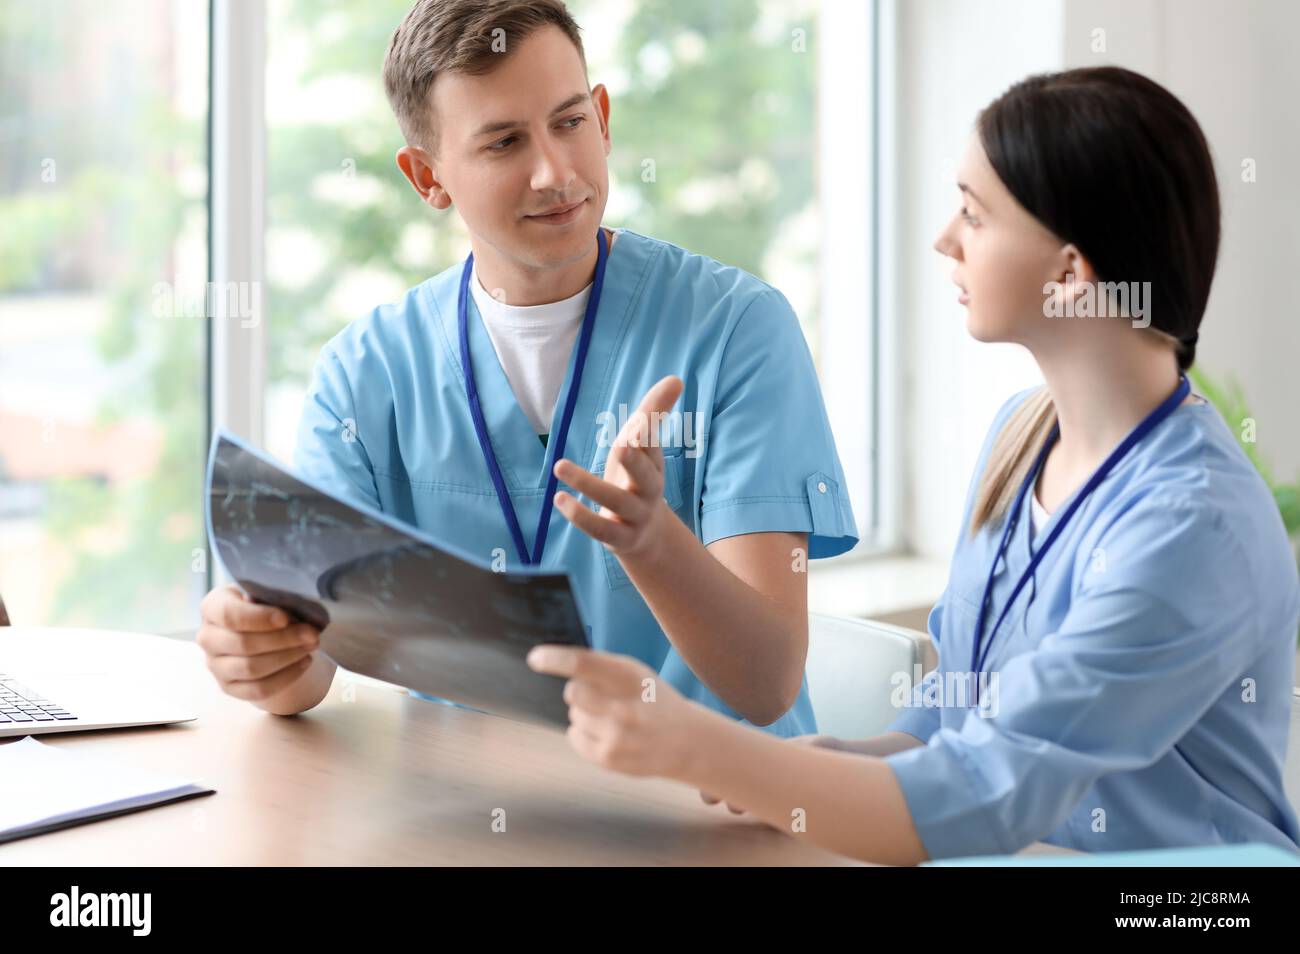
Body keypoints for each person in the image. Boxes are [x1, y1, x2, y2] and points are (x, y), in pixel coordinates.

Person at [528, 66, 1300, 863]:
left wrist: (702, 747)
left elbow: (988, 792)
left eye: (974, 214)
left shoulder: (1193, 526)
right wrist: (829, 765)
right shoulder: (1021, 437)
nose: (945, 239)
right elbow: (958, 714)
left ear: (1070, 274)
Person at [196, 0, 856, 737]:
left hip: (704, 799)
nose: (555, 172)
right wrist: (261, 653)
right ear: (427, 177)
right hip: (474, 798)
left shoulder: (736, 329)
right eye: (505, 142)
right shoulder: (364, 373)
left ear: (603, 119)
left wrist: (655, 544)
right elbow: (312, 661)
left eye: (570, 122)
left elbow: (766, 684)